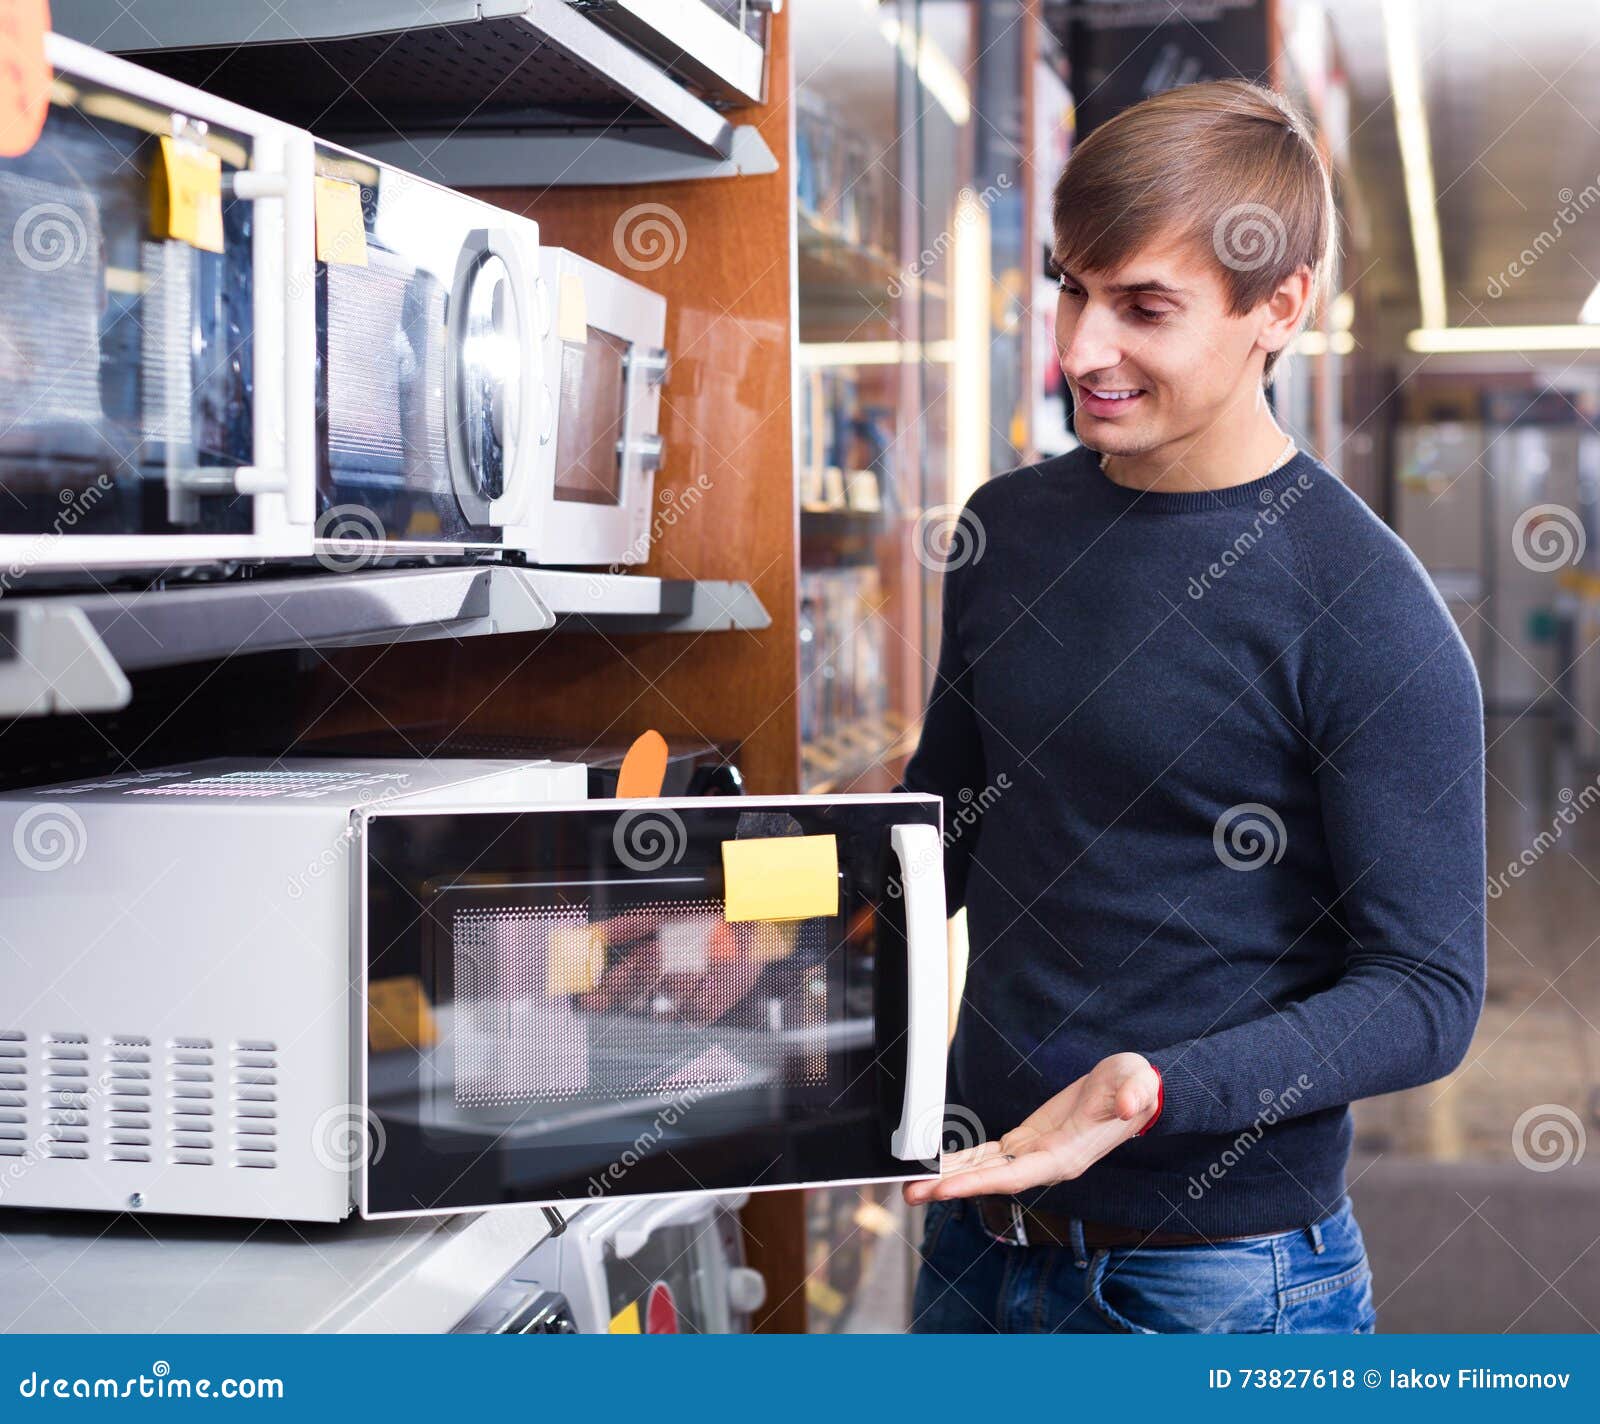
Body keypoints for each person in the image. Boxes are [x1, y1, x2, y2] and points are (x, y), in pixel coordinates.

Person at [897, 77, 1486, 1334]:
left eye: (1142, 308)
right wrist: (701, 895)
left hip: (1215, 1279)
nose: (1078, 350)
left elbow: (1425, 991)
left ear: (1279, 307)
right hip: (973, 1224)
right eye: (1069, 286)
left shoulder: (1364, 607)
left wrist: (1153, 1089)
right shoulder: (1008, 528)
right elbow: (932, 833)